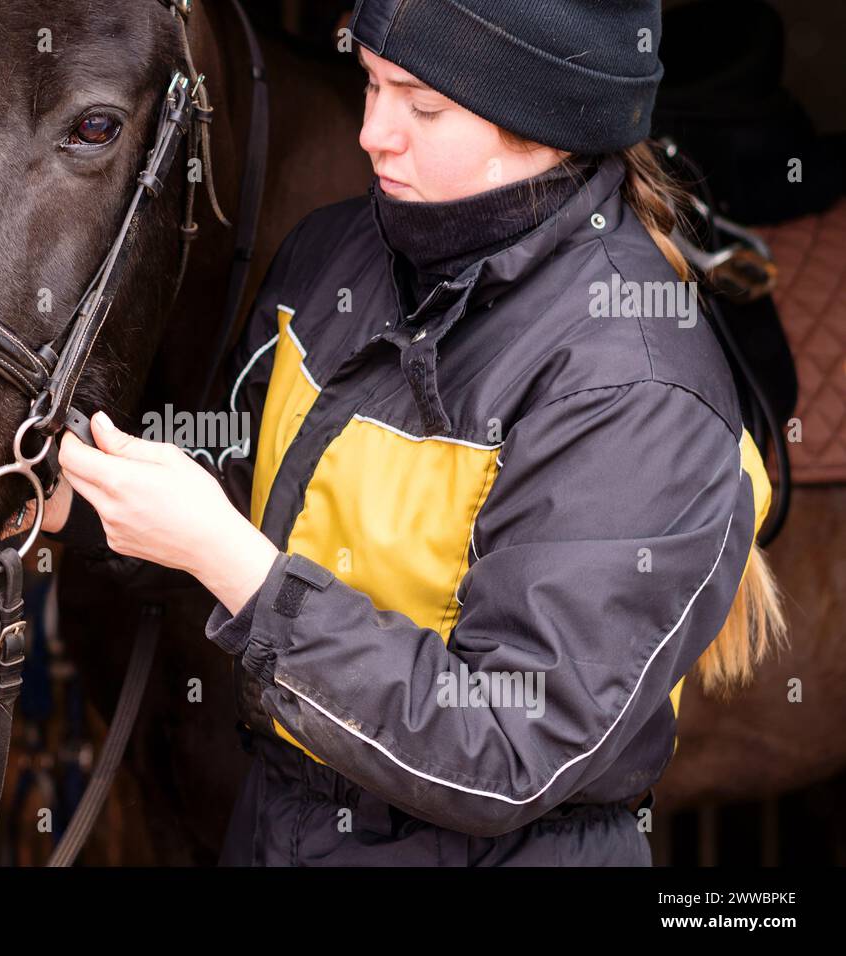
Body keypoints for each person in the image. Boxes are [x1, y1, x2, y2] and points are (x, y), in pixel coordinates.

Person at [40, 0, 784, 865]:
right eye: (370, 84)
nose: (372, 134)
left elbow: (510, 752)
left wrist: (235, 570)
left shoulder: (637, 387)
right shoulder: (334, 254)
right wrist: (83, 498)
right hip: (284, 825)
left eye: (423, 106)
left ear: (546, 126)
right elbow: (245, 477)